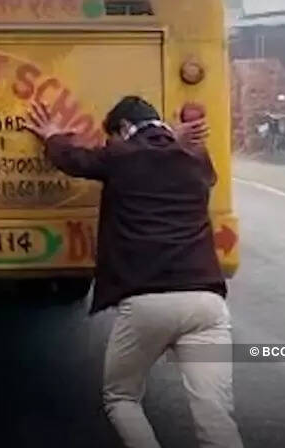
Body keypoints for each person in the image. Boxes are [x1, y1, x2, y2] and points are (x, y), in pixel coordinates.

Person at [24, 96, 243, 448]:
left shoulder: (121, 155)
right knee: (215, 413)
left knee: (121, 397)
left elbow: (73, 160)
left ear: (124, 129)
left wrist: (51, 134)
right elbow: (195, 167)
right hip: (206, 302)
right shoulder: (196, 159)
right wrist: (176, 139)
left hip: (147, 300)